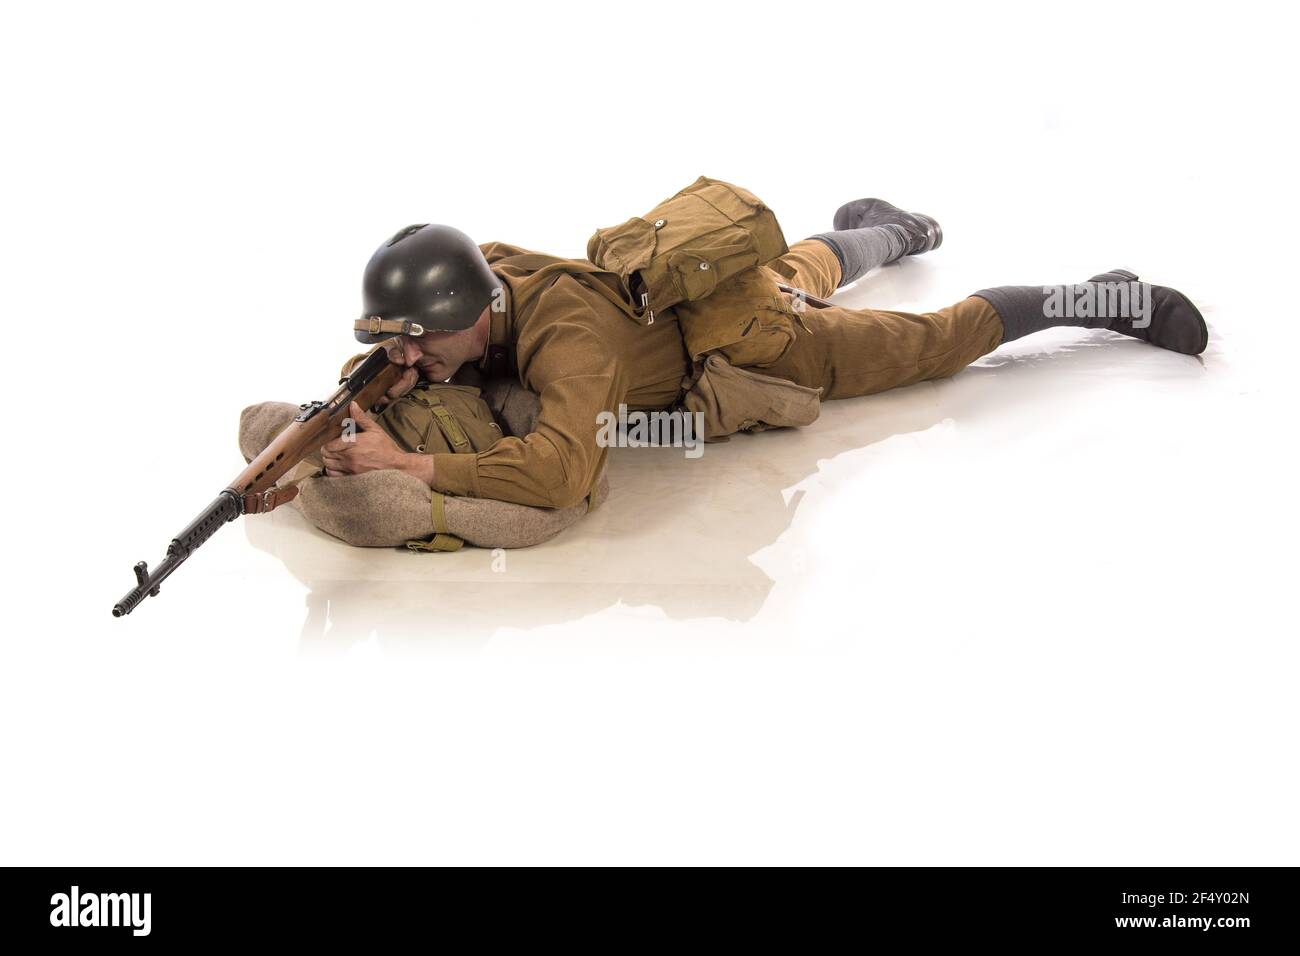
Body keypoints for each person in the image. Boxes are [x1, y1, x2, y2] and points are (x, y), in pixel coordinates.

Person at [317, 192, 1207, 511]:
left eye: (419, 339)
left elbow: (561, 475)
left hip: (764, 346)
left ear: (463, 308)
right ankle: (890, 229)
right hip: (709, 298)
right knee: (803, 264)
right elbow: (424, 349)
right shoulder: (492, 274)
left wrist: (417, 467)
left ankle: (1105, 296)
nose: (415, 356)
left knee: (937, 342)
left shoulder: (568, 342)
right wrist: (387, 375)